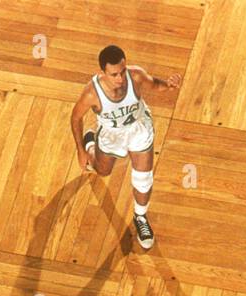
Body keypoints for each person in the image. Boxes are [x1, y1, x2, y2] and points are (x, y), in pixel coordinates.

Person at [70, 45, 180, 251]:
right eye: (114, 75)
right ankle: (91, 144)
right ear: (102, 72)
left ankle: (140, 217)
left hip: (139, 129)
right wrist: (80, 150)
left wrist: (169, 85)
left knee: (143, 177)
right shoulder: (91, 93)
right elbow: (75, 117)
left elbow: (155, 85)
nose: (120, 78)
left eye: (122, 71)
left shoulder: (135, 76)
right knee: (103, 171)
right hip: (112, 136)